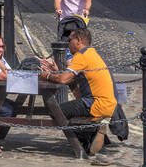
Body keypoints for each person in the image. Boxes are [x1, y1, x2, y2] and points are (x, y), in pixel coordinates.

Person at [39, 26, 116, 156]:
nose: (68, 44)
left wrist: (46, 75)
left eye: (70, 40)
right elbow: (72, 82)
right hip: (107, 104)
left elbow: (63, 80)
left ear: (78, 40)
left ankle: (85, 140)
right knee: (70, 109)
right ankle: (91, 133)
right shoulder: (91, 54)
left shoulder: (81, 56)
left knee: (55, 111)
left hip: (96, 104)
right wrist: (56, 72)